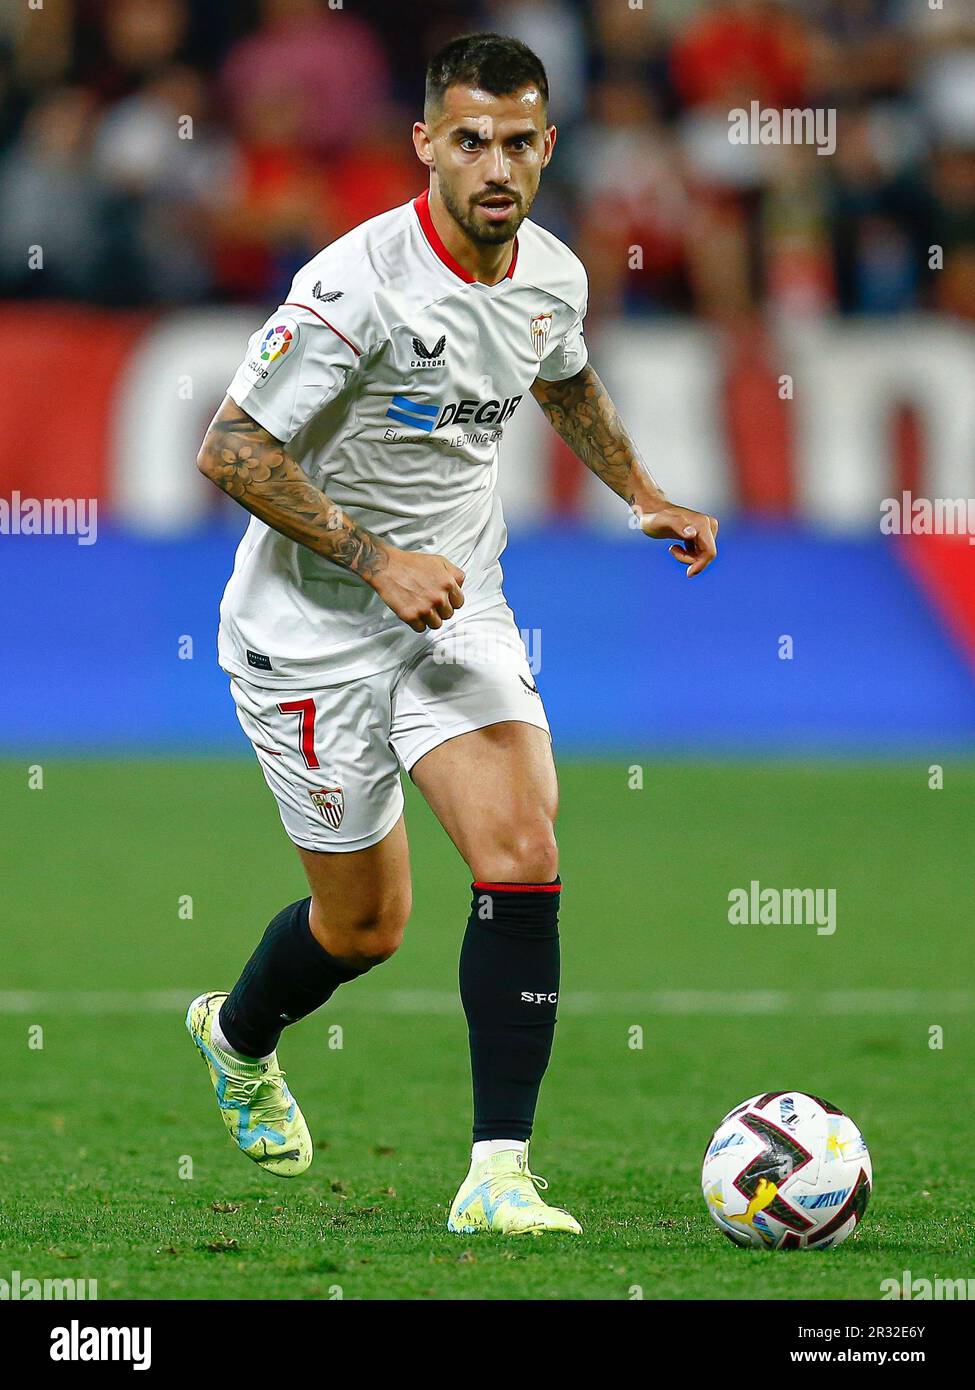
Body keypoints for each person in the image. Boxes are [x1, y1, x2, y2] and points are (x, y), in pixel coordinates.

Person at [187, 31, 718, 1236]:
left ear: (546, 147)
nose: (496, 165)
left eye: (520, 141)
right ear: (424, 143)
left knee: (522, 846)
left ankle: (497, 1174)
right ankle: (237, 1033)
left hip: (456, 605)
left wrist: (643, 491)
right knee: (364, 927)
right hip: (309, 632)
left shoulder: (553, 276)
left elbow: (564, 377)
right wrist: (373, 558)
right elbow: (227, 448)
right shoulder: (354, 284)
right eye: (469, 139)